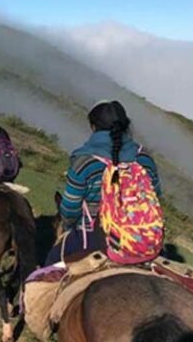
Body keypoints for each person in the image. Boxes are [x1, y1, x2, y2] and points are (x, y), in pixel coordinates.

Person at [45, 100, 162, 266]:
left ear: (93, 127)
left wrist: (70, 226)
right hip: (146, 241)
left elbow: (70, 209)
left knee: (46, 270)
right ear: (126, 125)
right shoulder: (144, 158)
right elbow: (156, 196)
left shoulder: (84, 161)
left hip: (95, 239)